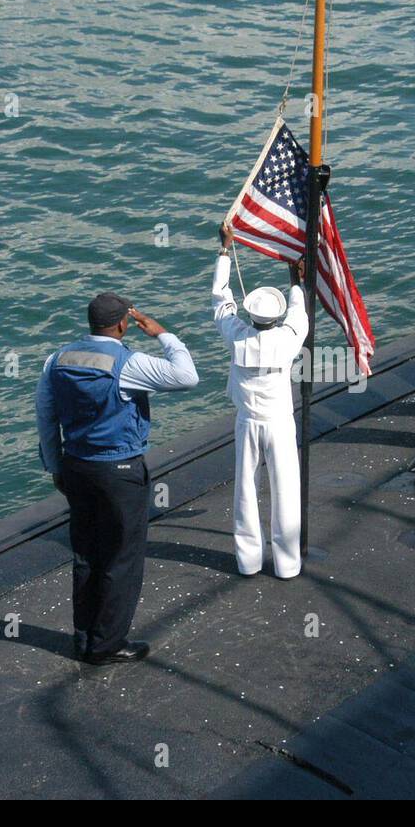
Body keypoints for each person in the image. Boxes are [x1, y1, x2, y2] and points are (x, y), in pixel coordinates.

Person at [35, 293, 199, 665]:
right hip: (119, 470)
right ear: (124, 324)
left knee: (86, 555)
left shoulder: (56, 360)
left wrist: (55, 466)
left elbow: (46, 418)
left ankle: (84, 638)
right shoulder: (130, 363)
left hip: (76, 466)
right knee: (121, 557)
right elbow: (188, 376)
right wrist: (163, 333)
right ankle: (107, 644)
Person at [214, 224, 308, 579]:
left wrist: (225, 251)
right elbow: (300, 313)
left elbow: (220, 302)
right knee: (285, 491)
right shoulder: (287, 339)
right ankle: (287, 564)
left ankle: (248, 561)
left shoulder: (237, 337)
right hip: (279, 422)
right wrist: (295, 278)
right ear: (275, 317)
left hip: (247, 422)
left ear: (252, 315)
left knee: (245, 490)